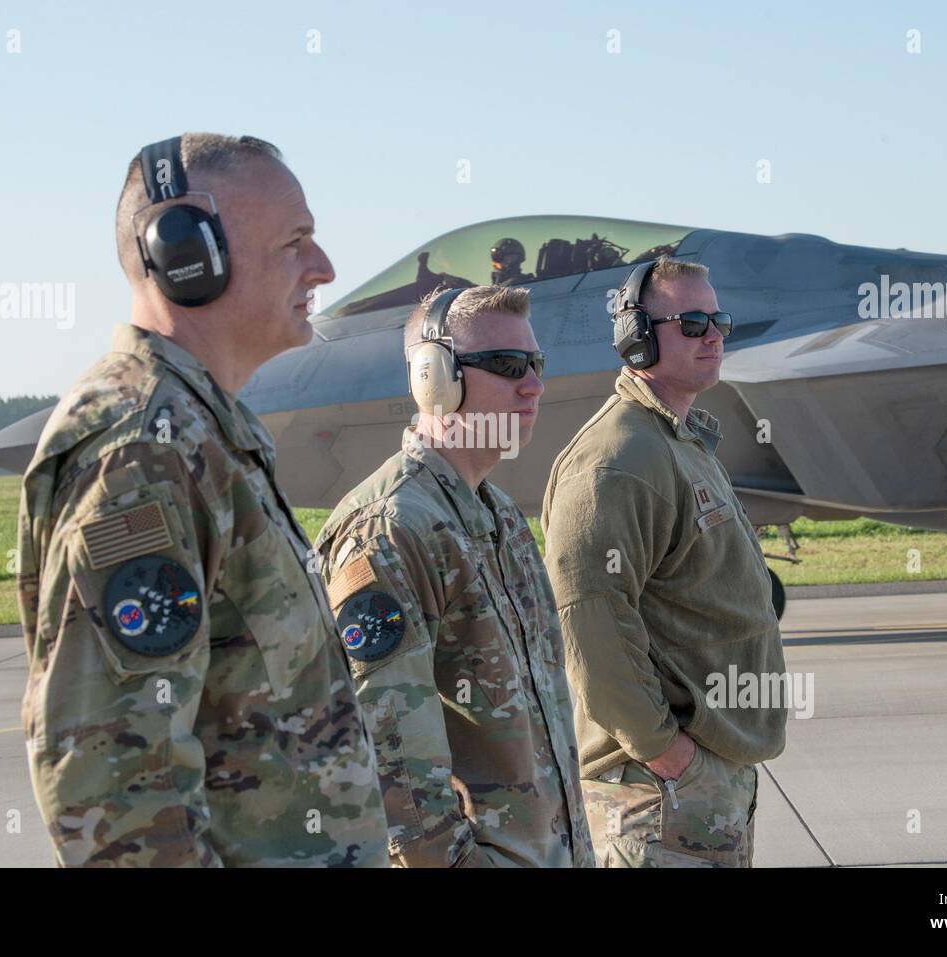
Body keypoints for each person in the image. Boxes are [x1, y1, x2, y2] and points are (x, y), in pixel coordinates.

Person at [16, 133, 388, 867]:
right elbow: (116, 793)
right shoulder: (142, 450)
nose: (325, 268)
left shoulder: (206, 430)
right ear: (191, 257)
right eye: (296, 241)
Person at [313, 284, 594, 867]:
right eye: (507, 365)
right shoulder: (391, 530)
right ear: (434, 379)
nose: (534, 385)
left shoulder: (501, 519)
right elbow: (389, 760)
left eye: (536, 364)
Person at [541, 256, 788, 868]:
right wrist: (665, 751)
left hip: (701, 780)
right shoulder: (618, 460)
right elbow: (589, 620)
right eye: (693, 320)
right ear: (637, 338)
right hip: (659, 790)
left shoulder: (677, 442)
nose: (714, 334)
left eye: (719, 319)